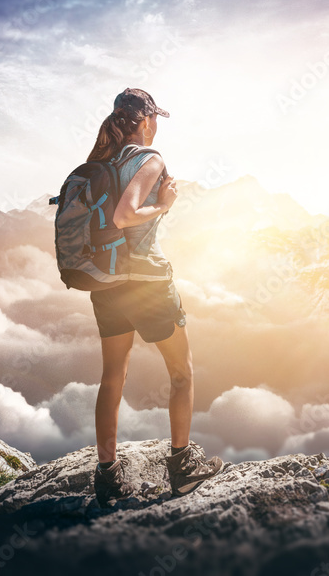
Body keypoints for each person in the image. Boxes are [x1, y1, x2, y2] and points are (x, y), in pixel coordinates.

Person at [86, 88, 224, 507]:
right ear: (145, 121)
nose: (157, 125)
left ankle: (108, 476)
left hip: (105, 282)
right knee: (181, 372)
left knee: (113, 377)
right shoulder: (149, 159)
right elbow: (125, 215)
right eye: (155, 118)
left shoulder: (99, 164)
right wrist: (164, 205)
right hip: (146, 282)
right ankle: (182, 468)